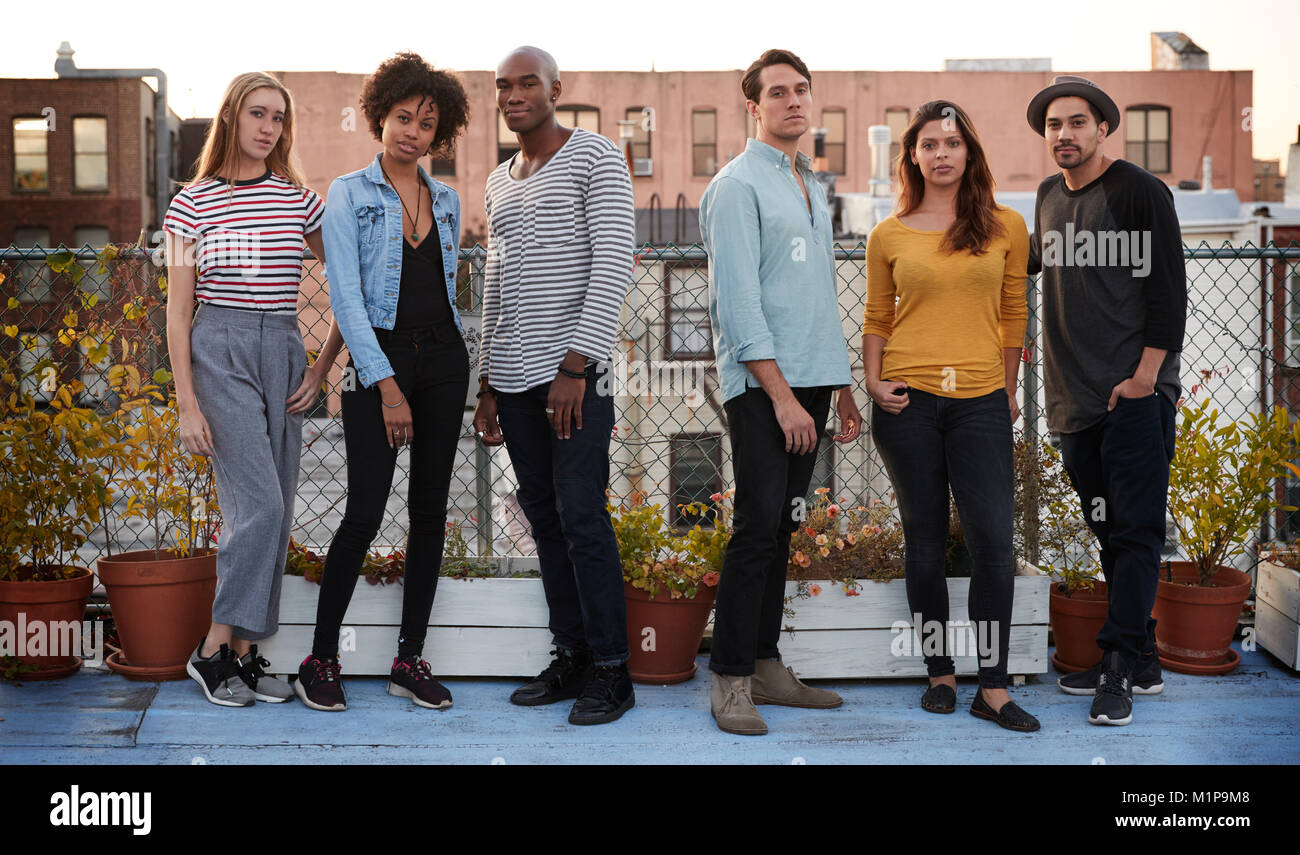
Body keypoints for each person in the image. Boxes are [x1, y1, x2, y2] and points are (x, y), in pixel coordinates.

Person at [295, 53, 472, 712]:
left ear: (439, 131)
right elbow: (347, 296)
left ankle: (409, 658)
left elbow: (444, 291)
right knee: (365, 513)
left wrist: (430, 375)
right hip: (379, 365)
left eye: (427, 123)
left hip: (446, 363)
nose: (413, 132)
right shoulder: (348, 193)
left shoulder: (446, 199)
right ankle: (320, 659)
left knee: (429, 516)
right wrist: (387, 384)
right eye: (403, 117)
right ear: (381, 116)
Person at [165, 71, 343, 707]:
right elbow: (178, 312)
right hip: (220, 349)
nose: (268, 128)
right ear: (232, 119)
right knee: (260, 505)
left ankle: (243, 653)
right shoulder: (191, 203)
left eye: (278, 118)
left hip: (284, 351)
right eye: (257, 115)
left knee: (273, 509)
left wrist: (322, 369)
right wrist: (187, 403)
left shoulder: (299, 200)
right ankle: (212, 647)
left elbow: (349, 286)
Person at [472, 46, 637, 726]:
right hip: (510, 380)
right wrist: (486, 380)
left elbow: (613, 261)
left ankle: (611, 669)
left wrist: (576, 366)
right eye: (504, 86)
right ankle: (570, 653)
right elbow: (495, 281)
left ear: (555, 89)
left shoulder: (596, 156)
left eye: (527, 83)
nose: (514, 94)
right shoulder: (497, 181)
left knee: (582, 514)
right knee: (543, 517)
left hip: (572, 376)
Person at [698, 49, 860, 736]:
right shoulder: (736, 186)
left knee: (783, 524)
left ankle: (766, 663)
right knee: (756, 526)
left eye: (802, 90)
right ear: (753, 107)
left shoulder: (807, 182)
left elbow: (817, 294)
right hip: (764, 384)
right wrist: (783, 395)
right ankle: (731, 678)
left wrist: (841, 386)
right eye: (778, 92)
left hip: (815, 378)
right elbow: (736, 303)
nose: (794, 101)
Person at [863, 100, 1039, 732]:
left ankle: (992, 687)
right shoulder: (889, 233)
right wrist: (874, 381)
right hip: (908, 401)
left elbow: (1014, 310)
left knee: (994, 542)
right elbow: (879, 316)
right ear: (913, 155)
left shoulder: (1006, 226)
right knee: (926, 542)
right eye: (930, 144)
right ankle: (939, 674)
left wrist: (1010, 385)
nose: (942, 153)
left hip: (981, 399)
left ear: (970, 153)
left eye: (953, 143)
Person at [1026, 75, 1185, 726]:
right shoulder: (1045, 198)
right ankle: (1142, 658)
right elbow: (1028, 267)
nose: (1064, 134)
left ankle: (1117, 666)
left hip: (1133, 394)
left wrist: (1146, 377)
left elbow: (1168, 292)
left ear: (1102, 129)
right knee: (1107, 531)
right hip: (1072, 397)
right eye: (1054, 125)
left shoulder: (1138, 191)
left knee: (1137, 529)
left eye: (1077, 123)